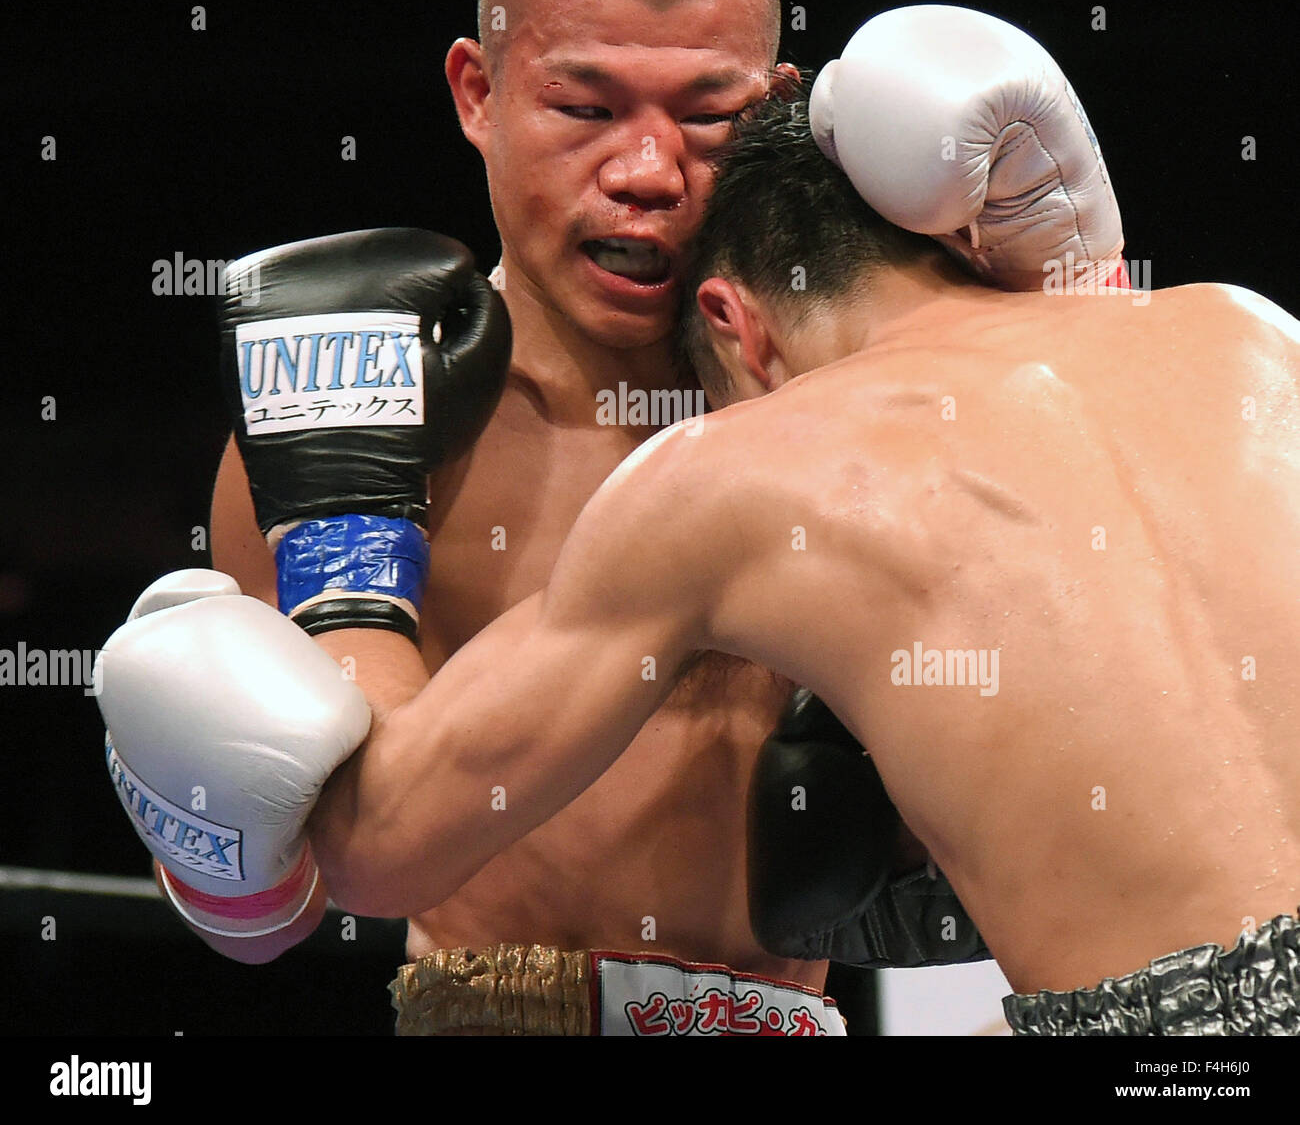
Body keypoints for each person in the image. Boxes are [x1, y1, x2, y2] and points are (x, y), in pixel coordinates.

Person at [304, 80, 1300, 1033]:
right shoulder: (1247, 332)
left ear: (735, 325)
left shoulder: (732, 472)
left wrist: (341, 512)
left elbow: (374, 847)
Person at [198, 0, 847, 1034]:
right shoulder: (353, 437)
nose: (647, 173)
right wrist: (195, 814)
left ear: (776, 113)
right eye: (585, 109)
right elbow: (265, 904)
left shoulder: (846, 414)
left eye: (709, 116)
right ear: (477, 92)